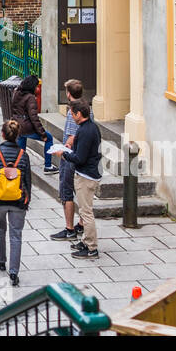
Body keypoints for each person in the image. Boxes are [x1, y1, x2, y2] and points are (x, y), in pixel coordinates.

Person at [0, 119, 34, 286]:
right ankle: (14, 272)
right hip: (18, 200)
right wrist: (27, 200)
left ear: (3, 134)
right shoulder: (23, 155)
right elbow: (27, 180)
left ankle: (1, 259)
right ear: (17, 135)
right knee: (16, 235)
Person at [51, 79, 90, 243]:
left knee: (66, 191)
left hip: (70, 157)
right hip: (83, 157)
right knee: (80, 192)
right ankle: (80, 224)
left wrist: (63, 148)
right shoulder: (88, 109)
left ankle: (69, 229)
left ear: (68, 93)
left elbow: (72, 137)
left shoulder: (73, 112)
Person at [67, 97, 102, 261]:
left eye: (72, 114)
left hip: (86, 176)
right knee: (84, 210)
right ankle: (85, 241)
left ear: (79, 114)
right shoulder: (92, 127)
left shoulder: (84, 131)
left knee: (86, 212)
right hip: (88, 174)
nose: (71, 117)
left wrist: (64, 154)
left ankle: (91, 247)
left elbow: (80, 158)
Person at [13, 75, 57, 173]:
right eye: (36, 86)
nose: (37, 88)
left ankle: (19, 167)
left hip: (17, 125)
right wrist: (42, 134)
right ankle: (48, 166)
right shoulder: (30, 97)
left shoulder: (16, 92)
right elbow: (34, 118)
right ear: (32, 86)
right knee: (49, 138)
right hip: (26, 126)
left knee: (21, 144)